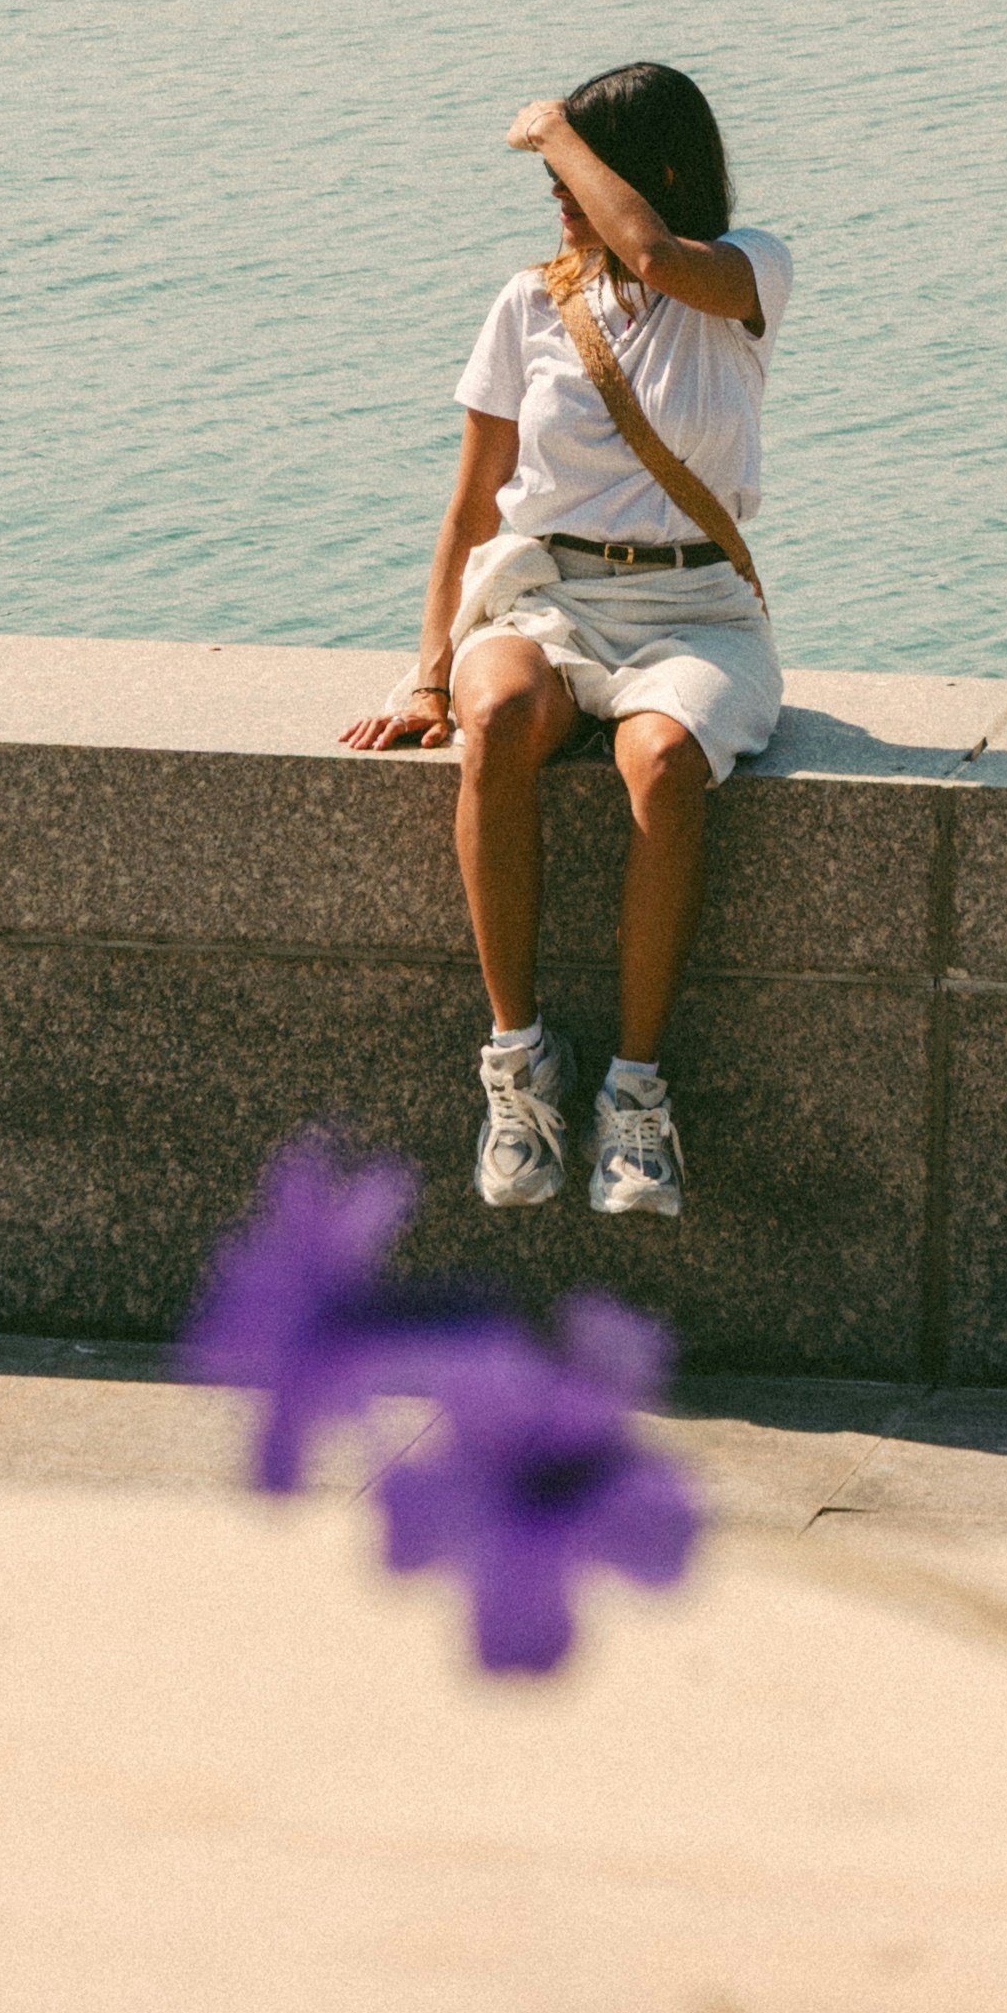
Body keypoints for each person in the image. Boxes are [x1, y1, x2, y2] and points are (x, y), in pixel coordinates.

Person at [340, 67, 791, 1224]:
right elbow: (471, 501)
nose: (557, 198)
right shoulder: (526, 306)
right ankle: (518, 1064)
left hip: (695, 613)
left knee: (661, 762)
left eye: (575, 178)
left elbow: (656, 259)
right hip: (548, 596)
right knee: (495, 717)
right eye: (550, 177)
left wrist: (555, 121)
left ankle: (635, 1098)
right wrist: (432, 669)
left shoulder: (742, 277)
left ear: (658, 176)